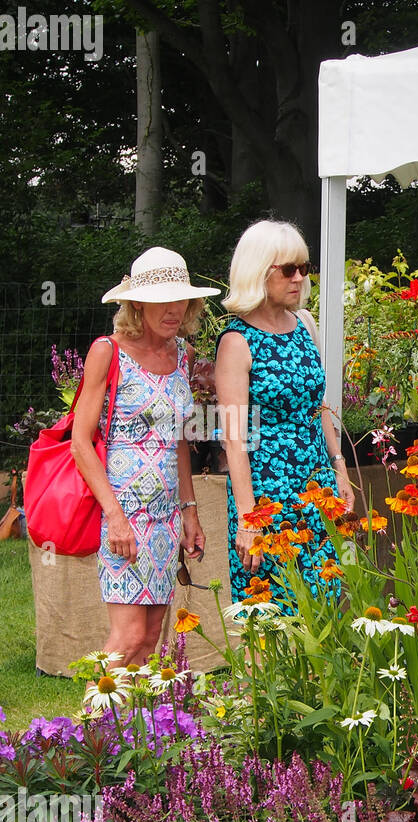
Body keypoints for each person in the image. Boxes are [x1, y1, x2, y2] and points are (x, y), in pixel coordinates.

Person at [72, 246, 217, 665]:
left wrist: (189, 512)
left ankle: (131, 731)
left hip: (166, 516)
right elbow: (81, 442)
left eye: (180, 299)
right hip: (124, 513)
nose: (173, 310)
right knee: (128, 635)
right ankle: (86, 729)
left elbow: (181, 441)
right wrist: (114, 515)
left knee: (151, 636)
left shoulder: (183, 356)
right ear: (136, 302)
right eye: (160, 301)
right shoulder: (108, 351)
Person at [216, 220, 355, 611]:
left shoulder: (305, 325)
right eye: (288, 269)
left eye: (304, 268)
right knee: (272, 615)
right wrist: (248, 518)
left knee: (325, 603)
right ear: (259, 272)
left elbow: (319, 405)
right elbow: (234, 438)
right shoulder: (236, 342)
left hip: (316, 488)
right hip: (267, 497)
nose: (299, 278)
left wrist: (339, 467)